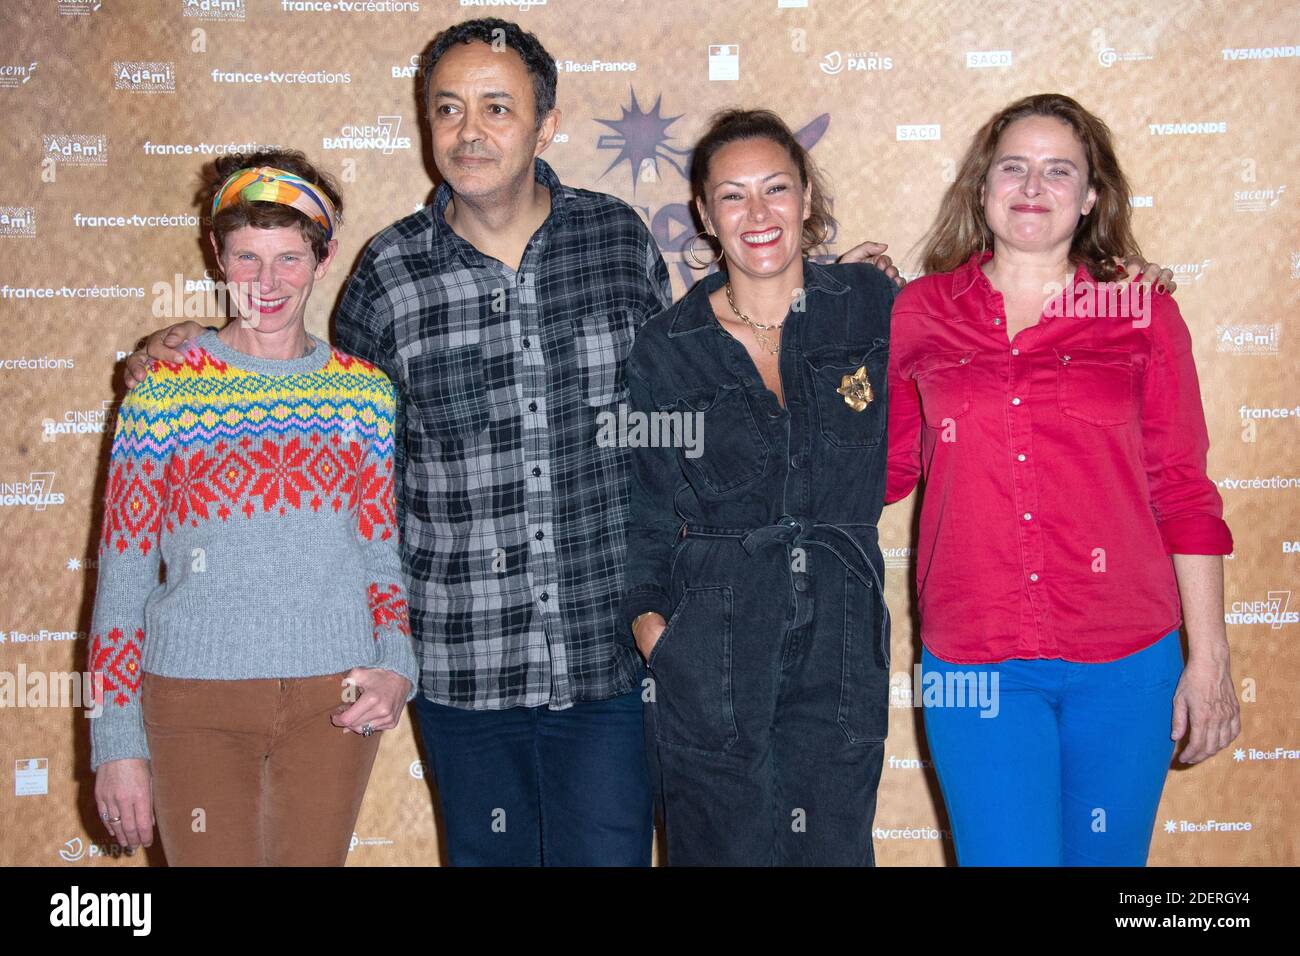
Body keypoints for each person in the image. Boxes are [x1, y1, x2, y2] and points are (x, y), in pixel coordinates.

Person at [124, 19, 903, 867]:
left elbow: (709, 351)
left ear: (547, 125)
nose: (470, 131)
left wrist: (836, 288)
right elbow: (313, 386)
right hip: (465, 666)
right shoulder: (389, 274)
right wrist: (188, 346)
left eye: (498, 107)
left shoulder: (616, 242)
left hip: (608, 659)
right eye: (448, 109)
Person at [886, 93, 1239, 866]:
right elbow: (880, 472)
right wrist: (837, 311)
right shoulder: (918, 312)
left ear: (1090, 197)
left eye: (1058, 171)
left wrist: (1207, 658)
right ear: (982, 187)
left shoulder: (1141, 312)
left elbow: (1183, 491)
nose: (1033, 187)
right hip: (971, 663)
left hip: (1127, 662)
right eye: (1014, 168)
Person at [92, 150, 418, 865]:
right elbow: (121, 574)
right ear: (215, 254)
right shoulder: (164, 389)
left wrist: (397, 662)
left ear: (323, 259)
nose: (266, 283)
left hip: (333, 700)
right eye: (247, 257)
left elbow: (377, 550)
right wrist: (115, 740)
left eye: (290, 259)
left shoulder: (362, 392)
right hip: (191, 703)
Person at [622, 109, 897, 866]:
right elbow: (645, 507)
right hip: (713, 635)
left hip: (840, 635)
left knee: (834, 850)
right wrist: (655, 630)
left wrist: (1109, 278)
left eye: (776, 188)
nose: (758, 213)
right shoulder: (668, 346)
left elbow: (989, 312)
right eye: (733, 196)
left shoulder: (869, 308)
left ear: (807, 197)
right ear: (706, 215)